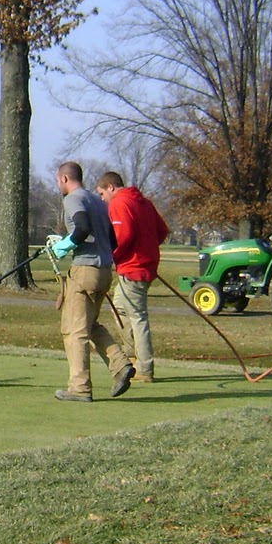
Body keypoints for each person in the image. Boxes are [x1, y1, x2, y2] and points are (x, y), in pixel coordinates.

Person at [48, 161, 134, 402]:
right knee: (89, 324)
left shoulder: (73, 198)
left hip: (85, 269)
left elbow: (83, 228)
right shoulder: (97, 201)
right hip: (104, 270)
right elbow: (112, 238)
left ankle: (79, 388)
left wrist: (63, 246)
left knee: (73, 330)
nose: (58, 185)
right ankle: (120, 365)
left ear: (65, 179)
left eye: (58, 181)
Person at [96, 171, 170, 383]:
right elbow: (162, 230)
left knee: (137, 316)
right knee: (119, 307)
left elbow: (123, 236)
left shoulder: (119, 203)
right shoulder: (144, 202)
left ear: (110, 187)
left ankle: (145, 368)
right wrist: (147, 248)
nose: (102, 199)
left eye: (102, 193)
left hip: (133, 268)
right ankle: (131, 354)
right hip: (145, 266)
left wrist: (113, 255)